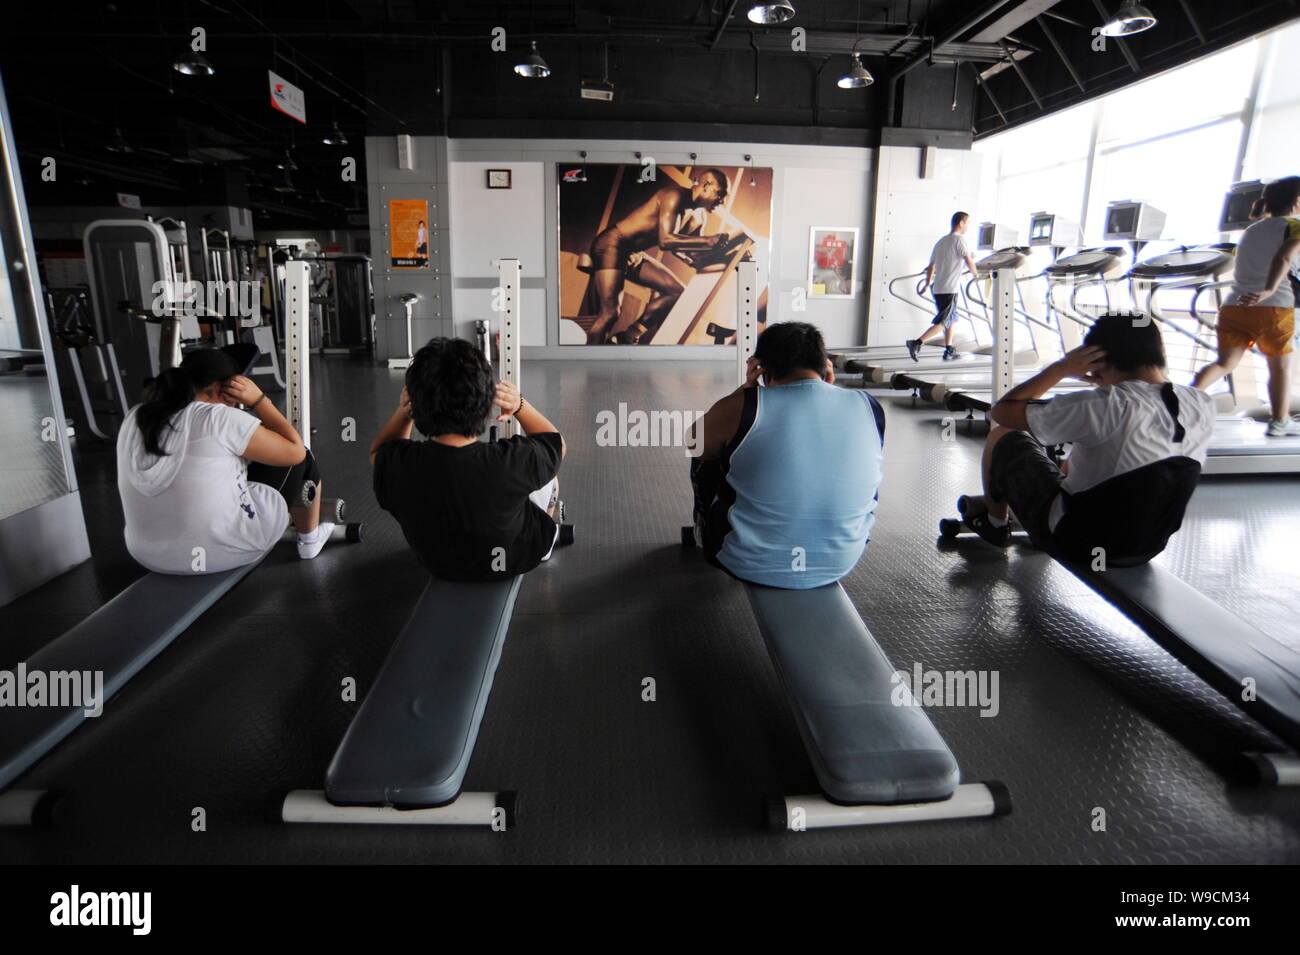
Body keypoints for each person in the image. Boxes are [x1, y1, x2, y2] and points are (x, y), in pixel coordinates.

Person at [959, 313, 1215, 567]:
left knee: (1003, 434)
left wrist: (1061, 368)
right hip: (1147, 548)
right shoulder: (1202, 404)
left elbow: (1002, 411)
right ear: (1159, 353)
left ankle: (995, 524)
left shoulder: (1106, 404)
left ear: (1097, 358)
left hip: (1076, 542)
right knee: (1086, 455)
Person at [688, 322, 885, 590]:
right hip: (842, 559)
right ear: (826, 367)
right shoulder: (869, 406)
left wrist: (746, 389)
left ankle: (704, 528)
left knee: (708, 456)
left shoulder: (745, 405)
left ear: (762, 369)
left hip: (745, 561)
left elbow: (693, 442)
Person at [117, 347, 333, 575]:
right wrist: (259, 401)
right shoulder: (218, 418)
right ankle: (310, 540)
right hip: (219, 554)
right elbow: (295, 451)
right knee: (301, 457)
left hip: (146, 555)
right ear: (224, 389)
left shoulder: (136, 416)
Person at [370, 336, 566, 581]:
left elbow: (380, 451)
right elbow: (555, 443)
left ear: (415, 405)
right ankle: (545, 544)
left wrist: (405, 411)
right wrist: (519, 405)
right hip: (516, 558)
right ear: (487, 408)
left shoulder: (399, 466)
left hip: (438, 564)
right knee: (550, 478)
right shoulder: (510, 462)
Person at [1192, 175, 1300, 436]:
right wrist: (1268, 290)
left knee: (1224, 364)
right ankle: (1280, 420)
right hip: (1272, 307)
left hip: (1234, 307)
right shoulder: (1294, 225)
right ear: (1297, 202)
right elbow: (1285, 256)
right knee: (1280, 366)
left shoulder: (1252, 230)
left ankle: (1180, 401)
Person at [585, 168, 731, 345]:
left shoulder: (699, 217)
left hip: (634, 253)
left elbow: (686, 251)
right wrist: (707, 241)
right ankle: (592, 362)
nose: (721, 201)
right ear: (707, 185)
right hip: (612, 244)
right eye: (720, 193)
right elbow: (666, 241)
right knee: (610, 313)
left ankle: (629, 335)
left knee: (677, 292)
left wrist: (721, 258)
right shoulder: (674, 195)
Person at [907, 211, 979, 362]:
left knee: (950, 318)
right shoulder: (960, 240)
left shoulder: (941, 242)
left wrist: (927, 284)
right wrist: (976, 275)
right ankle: (916, 343)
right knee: (944, 321)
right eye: (968, 223)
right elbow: (968, 260)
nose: (968, 227)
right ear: (961, 223)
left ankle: (949, 349)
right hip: (949, 288)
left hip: (938, 288)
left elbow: (931, 266)